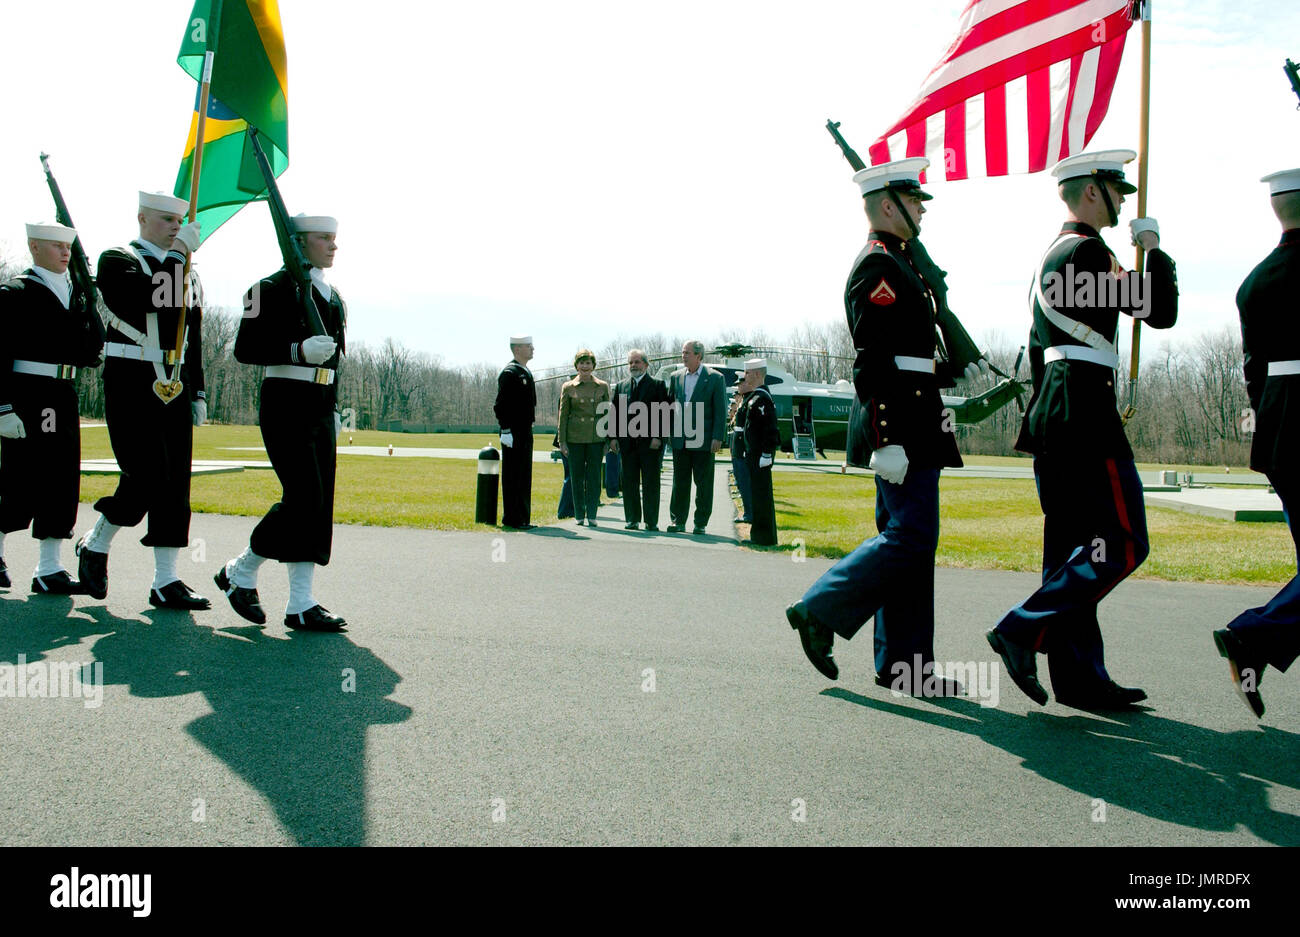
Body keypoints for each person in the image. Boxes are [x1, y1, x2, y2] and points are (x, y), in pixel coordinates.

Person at [985, 150, 1178, 710]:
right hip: (1084, 413)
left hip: (1057, 410)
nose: (1122, 202)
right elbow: (1158, 309)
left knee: (1074, 550)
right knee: (1121, 542)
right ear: (1092, 191)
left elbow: (1039, 348)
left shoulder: (1052, 256)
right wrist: (1154, 251)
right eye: (1118, 192)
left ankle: (1078, 678)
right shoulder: (1089, 253)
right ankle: (1022, 628)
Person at [785, 157, 968, 697]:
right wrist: (886, 438)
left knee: (909, 541)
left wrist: (946, 367)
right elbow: (872, 360)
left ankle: (904, 666)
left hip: (917, 414)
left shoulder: (901, 262)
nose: (922, 211)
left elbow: (906, 354)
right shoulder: (878, 267)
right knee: (911, 536)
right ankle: (819, 607)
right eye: (914, 203)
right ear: (888, 206)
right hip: (902, 422)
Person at [75, 191, 209, 610]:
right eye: (167, 219)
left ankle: (166, 579)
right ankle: (97, 541)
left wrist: (198, 390)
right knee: (145, 473)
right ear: (142, 218)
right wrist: (180, 253)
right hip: (132, 378)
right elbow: (154, 299)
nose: (176, 227)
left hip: (175, 380)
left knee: (175, 482)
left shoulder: (187, 270)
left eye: (179, 221)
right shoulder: (118, 260)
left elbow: (191, 335)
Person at [217, 214, 348, 632]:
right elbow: (246, 348)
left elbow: (335, 359)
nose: (333, 246)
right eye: (324, 238)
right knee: (303, 496)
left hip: (320, 403)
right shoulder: (265, 290)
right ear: (298, 242)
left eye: (334, 238)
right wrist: (297, 350)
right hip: (286, 402)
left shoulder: (332, 295)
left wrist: (335, 406)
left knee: (317, 503)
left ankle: (301, 603)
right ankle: (241, 569)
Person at [1213, 168, 1300, 718]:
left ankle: (1255, 638)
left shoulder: (1254, 282)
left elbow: (1254, 375)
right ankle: (1254, 635)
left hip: (1279, 431)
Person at [0, 222, 105, 593]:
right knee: (19, 478)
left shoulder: (76, 293)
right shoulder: (15, 291)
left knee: (61, 478)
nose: (65, 252)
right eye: (56, 245)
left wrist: (92, 303)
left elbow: (92, 351)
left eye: (68, 247)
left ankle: (49, 569)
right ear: (34, 246)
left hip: (62, 393)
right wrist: (3, 408)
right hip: (27, 393)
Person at [666, 340, 726, 534]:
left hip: (704, 440)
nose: (683, 356)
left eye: (687, 353)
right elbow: (670, 407)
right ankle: (678, 521)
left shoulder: (715, 378)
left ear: (699, 356)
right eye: (683, 352)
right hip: (680, 439)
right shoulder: (676, 377)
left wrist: (718, 437)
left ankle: (700, 523)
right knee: (680, 482)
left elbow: (720, 410)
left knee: (704, 483)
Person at [609, 349, 668, 531]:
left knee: (651, 482)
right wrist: (613, 437)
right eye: (630, 363)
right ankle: (632, 519)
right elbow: (614, 414)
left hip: (650, 444)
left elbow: (665, 413)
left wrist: (659, 436)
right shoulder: (621, 386)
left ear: (646, 364)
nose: (633, 365)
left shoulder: (657, 385)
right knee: (629, 483)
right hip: (627, 444)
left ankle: (651, 521)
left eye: (637, 362)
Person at [557, 349, 610, 526]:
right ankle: (579, 514)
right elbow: (563, 416)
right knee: (576, 478)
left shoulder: (602, 386)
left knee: (594, 478)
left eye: (588, 363)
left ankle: (592, 514)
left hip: (596, 439)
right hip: (575, 439)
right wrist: (562, 441)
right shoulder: (568, 387)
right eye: (581, 363)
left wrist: (608, 440)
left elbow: (607, 414)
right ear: (576, 366)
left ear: (593, 366)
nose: (585, 366)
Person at [735, 359, 779, 546]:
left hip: (760, 455)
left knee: (761, 497)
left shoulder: (761, 398)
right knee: (757, 495)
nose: (745, 377)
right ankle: (761, 535)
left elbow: (770, 429)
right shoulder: (756, 397)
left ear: (758, 374)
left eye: (748, 373)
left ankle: (763, 537)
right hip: (754, 455)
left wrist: (767, 453)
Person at [495, 335, 536, 530]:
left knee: (524, 475)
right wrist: (505, 430)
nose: (532, 349)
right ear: (517, 349)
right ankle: (512, 517)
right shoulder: (510, 373)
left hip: (525, 430)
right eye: (529, 346)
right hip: (513, 432)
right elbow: (501, 405)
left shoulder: (524, 371)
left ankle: (523, 517)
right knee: (513, 475)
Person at [727, 386, 754, 523]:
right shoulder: (743, 404)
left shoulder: (748, 403)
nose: (736, 397)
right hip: (738, 449)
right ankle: (748, 511)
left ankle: (749, 513)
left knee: (745, 482)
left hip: (742, 449)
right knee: (742, 481)